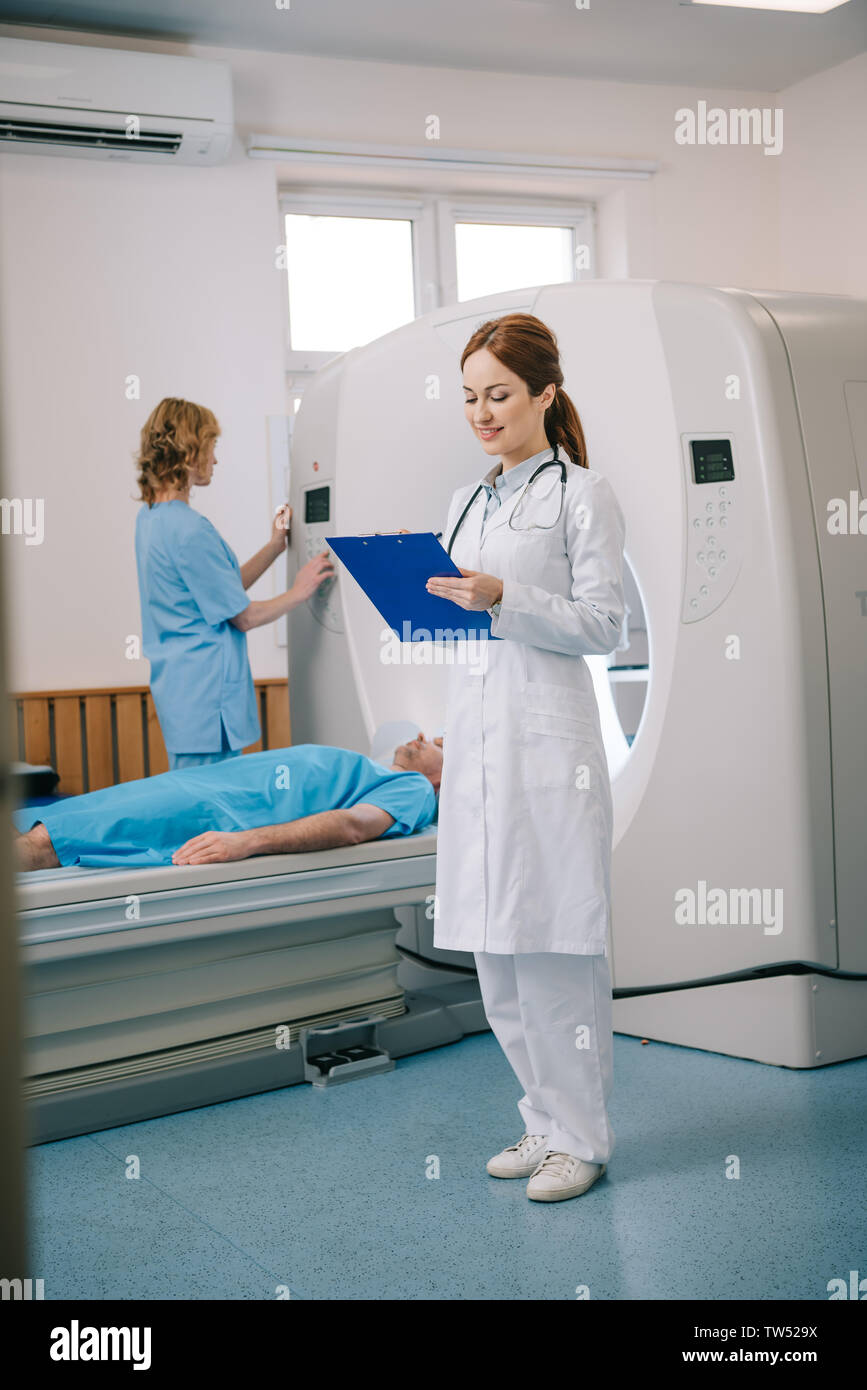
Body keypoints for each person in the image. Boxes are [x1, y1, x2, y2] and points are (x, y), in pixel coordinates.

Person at [425, 312, 626, 1204]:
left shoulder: (582, 495)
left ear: (544, 393)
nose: (481, 411)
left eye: (498, 394)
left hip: (548, 749)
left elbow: (606, 626)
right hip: (477, 742)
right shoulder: (466, 502)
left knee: (551, 949)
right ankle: (540, 1121)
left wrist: (509, 596)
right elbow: (462, 618)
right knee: (496, 953)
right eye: (469, 396)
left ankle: (580, 1140)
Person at [134, 398, 334, 769]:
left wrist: (275, 547)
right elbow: (241, 616)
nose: (215, 459)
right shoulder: (188, 528)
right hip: (207, 701)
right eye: (211, 447)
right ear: (189, 450)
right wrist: (299, 591)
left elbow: (219, 590)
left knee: (196, 804)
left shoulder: (151, 520)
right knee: (210, 813)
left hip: (183, 696)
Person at [13, 735, 442, 871]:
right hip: (202, 785)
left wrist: (247, 842)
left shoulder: (414, 789)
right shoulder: (375, 769)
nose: (424, 737)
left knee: (52, 842)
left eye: (441, 742)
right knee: (45, 823)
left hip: (212, 810)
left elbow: (353, 826)